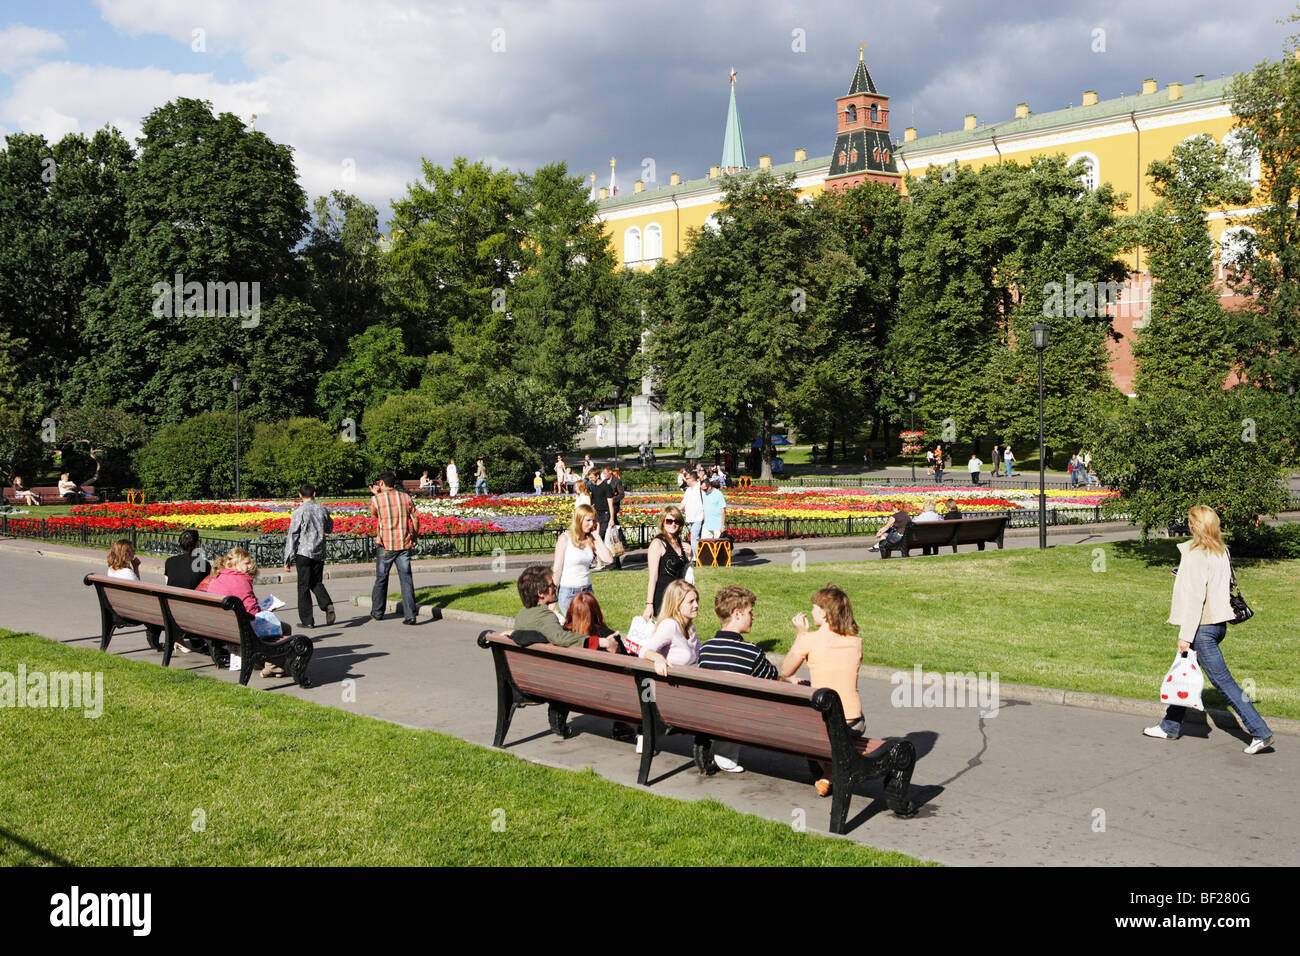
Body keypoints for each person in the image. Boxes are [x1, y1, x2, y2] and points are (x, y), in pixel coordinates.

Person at [1144, 505, 1273, 754]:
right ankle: (1170, 725)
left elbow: (1195, 598)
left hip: (1202, 628)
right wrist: (1184, 575)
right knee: (1185, 672)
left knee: (1224, 682)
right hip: (1218, 625)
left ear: (1195, 525)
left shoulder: (1194, 553)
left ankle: (1260, 732)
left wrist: (1185, 635)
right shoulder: (1220, 550)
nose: (1188, 525)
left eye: (1190, 521)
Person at [698, 586, 802, 773]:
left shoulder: (706, 648)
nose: (753, 617)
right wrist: (791, 682)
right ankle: (725, 756)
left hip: (709, 713)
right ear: (736, 614)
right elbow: (774, 680)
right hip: (739, 716)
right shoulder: (750, 652)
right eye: (750, 612)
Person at [781, 585, 866, 796]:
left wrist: (801, 635)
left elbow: (786, 670)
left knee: (814, 728)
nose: (811, 612)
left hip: (821, 724)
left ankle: (828, 771)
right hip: (853, 722)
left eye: (815, 608)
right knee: (835, 732)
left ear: (825, 614)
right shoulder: (856, 643)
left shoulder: (809, 640)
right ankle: (829, 773)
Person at [206, 547, 289, 677]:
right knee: (283, 627)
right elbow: (252, 612)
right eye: (246, 563)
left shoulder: (218, 576)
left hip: (220, 626)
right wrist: (266, 609)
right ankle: (273, 666)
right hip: (239, 628)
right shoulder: (241, 579)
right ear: (235, 564)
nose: (250, 566)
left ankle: (268, 664)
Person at [512, 565, 619, 650]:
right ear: (540, 593)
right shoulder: (545, 616)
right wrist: (600, 641)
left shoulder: (521, 615)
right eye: (551, 585)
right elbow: (560, 638)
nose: (555, 587)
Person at [369, 470, 420, 625]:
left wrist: (376, 494)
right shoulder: (406, 497)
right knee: (406, 579)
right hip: (404, 543)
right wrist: (414, 536)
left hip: (386, 544)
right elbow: (416, 518)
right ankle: (410, 615)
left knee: (381, 578)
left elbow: (374, 517)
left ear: (382, 483)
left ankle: (378, 612)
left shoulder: (376, 499)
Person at [284, 482, 336, 629]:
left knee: (303, 587)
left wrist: (288, 557)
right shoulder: (322, 510)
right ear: (314, 494)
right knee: (316, 582)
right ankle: (327, 605)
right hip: (319, 552)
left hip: (303, 552)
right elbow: (330, 528)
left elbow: (293, 535)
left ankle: (307, 620)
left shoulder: (299, 512)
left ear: (300, 495)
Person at [551, 503, 614, 616]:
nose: (592, 524)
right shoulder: (565, 539)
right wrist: (552, 599)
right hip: (569, 591)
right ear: (579, 520)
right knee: (575, 629)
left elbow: (609, 559)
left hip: (587, 591)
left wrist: (597, 536)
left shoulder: (591, 539)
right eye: (588, 520)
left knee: (588, 628)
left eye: (594, 521)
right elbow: (557, 570)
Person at [640, 579, 701, 677]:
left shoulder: (690, 628)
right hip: (670, 685)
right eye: (691, 602)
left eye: (696, 600)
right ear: (677, 605)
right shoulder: (670, 626)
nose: (696, 605)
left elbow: (700, 655)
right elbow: (644, 651)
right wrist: (659, 659)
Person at [643, 506, 690, 619]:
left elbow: (683, 568)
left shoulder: (679, 542)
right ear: (663, 522)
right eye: (669, 521)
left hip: (679, 595)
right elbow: (653, 577)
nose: (673, 524)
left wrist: (690, 554)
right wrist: (649, 605)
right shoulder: (657, 543)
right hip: (663, 597)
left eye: (676, 521)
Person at [680, 471, 705, 558]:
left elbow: (706, 502)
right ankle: (697, 557)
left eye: (687, 478)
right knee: (694, 538)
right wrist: (674, 511)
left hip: (698, 517)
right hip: (691, 518)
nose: (685, 480)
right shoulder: (688, 490)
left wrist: (704, 515)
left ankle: (695, 558)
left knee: (694, 538)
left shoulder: (700, 487)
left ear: (692, 479)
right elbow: (683, 502)